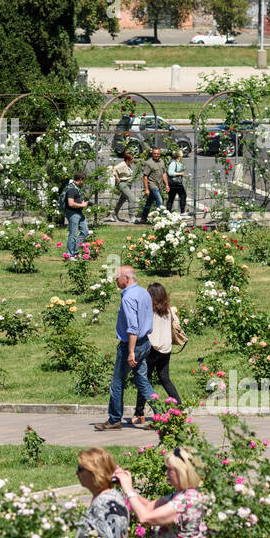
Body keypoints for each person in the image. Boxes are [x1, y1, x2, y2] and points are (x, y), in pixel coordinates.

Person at [101, 265, 160, 429]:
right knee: (143, 381)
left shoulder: (128, 298)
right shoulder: (143, 293)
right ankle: (162, 415)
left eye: (117, 277)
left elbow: (133, 327)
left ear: (126, 278)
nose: (115, 279)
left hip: (131, 345)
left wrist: (131, 352)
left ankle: (114, 420)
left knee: (117, 382)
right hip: (145, 342)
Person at [132, 283, 184, 426]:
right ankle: (180, 407)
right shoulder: (168, 310)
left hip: (152, 348)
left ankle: (139, 412)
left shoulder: (150, 310)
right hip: (166, 349)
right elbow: (177, 324)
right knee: (164, 378)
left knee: (143, 380)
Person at [76, 448, 131, 538]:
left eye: (80, 469)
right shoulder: (102, 498)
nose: (76, 473)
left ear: (94, 471)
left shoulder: (106, 503)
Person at [138, 147, 168, 224]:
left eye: (158, 154)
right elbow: (145, 176)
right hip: (152, 185)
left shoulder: (162, 162)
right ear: (152, 154)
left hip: (159, 185)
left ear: (160, 154)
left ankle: (143, 218)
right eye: (154, 153)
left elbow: (164, 173)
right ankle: (159, 220)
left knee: (149, 202)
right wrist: (147, 189)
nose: (156, 155)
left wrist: (167, 185)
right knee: (159, 201)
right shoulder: (149, 163)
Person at [63, 172, 89, 257]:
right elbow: (70, 203)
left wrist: (83, 202)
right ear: (81, 179)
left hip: (79, 213)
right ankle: (69, 254)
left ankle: (75, 252)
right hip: (73, 213)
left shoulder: (76, 188)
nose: (83, 182)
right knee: (73, 234)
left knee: (85, 231)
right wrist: (82, 205)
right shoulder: (71, 189)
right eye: (83, 180)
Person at [113, 151, 137, 222]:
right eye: (132, 159)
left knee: (122, 200)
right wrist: (117, 177)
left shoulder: (128, 165)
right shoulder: (123, 164)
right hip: (123, 184)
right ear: (127, 159)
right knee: (132, 198)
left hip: (127, 185)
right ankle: (131, 216)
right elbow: (114, 169)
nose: (133, 161)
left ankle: (114, 213)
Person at [166, 149, 187, 214]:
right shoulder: (173, 163)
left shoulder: (178, 162)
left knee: (178, 196)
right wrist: (180, 173)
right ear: (178, 155)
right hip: (174, 183)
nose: (182, 153)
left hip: (176, 183)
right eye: (181, 152)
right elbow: (170, 173)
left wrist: (182, 168)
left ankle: (169, 212)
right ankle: (181, 212)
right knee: (181, 195)